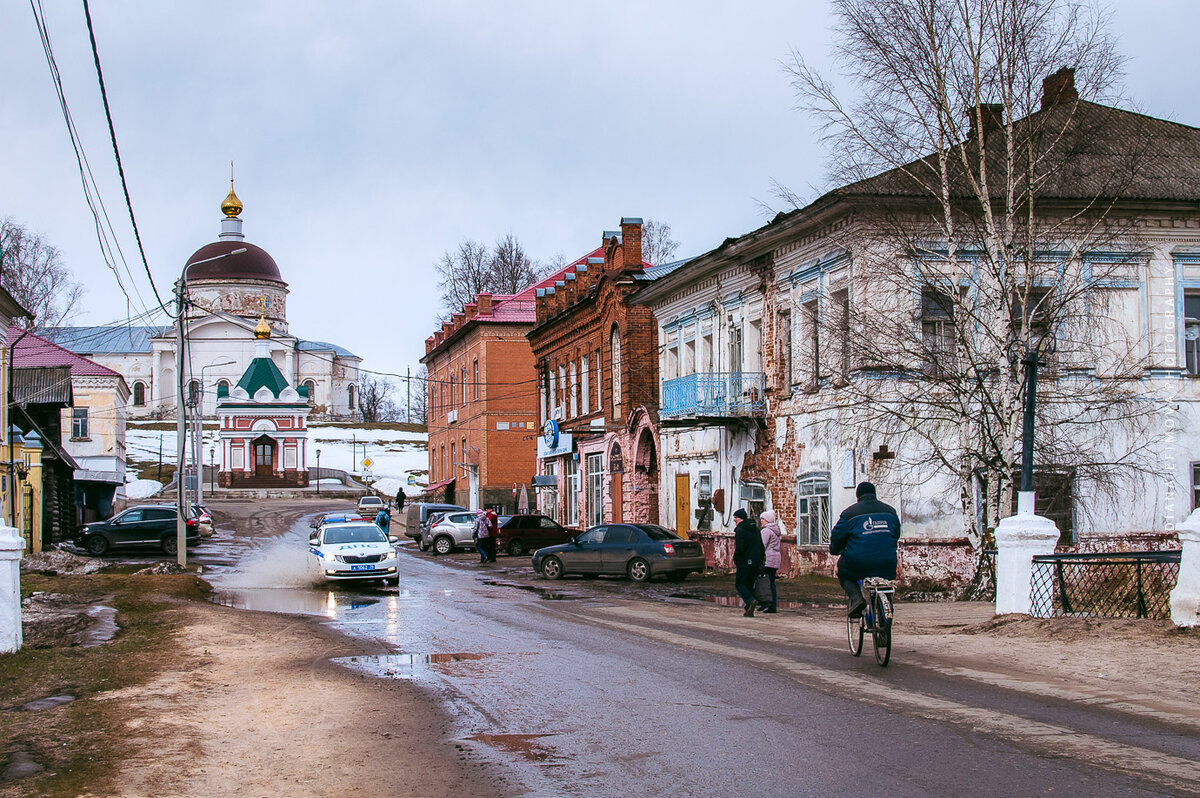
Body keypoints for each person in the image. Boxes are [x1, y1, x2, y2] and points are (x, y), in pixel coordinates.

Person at [829, 482, 901, 618]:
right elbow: (896, 533)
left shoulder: (849, 513)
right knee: (883, 577)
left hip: (858, 563)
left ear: (858, 497)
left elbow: (837, 536)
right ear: (874, 494)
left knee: (843, 572)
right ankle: (886, 606)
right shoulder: (890, 511)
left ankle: (857, 599)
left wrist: (835, 550)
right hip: (887, 562)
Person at [732, 508, 765, 617]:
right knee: (749, 584)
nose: (734, 520)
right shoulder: (756, 530)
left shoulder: (740, 530)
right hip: (755, 562)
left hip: (744, 562)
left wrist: (736, 559)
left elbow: (740, 548)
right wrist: (761, 560)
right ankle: (748, 608)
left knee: (740, 583)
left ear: (740, 518)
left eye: (735, 517)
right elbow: (761, 546)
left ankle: (750, 601)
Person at [759, 510, 782, 614]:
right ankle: (772, 605)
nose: (761, 521)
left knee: (763, 582)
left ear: (767, 520)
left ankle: (766, 602)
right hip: (776, 558)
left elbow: (761, 545)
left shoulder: (766, 531)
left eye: (763, 519)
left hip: (768, 558)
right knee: (771, 582)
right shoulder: (776, 530)